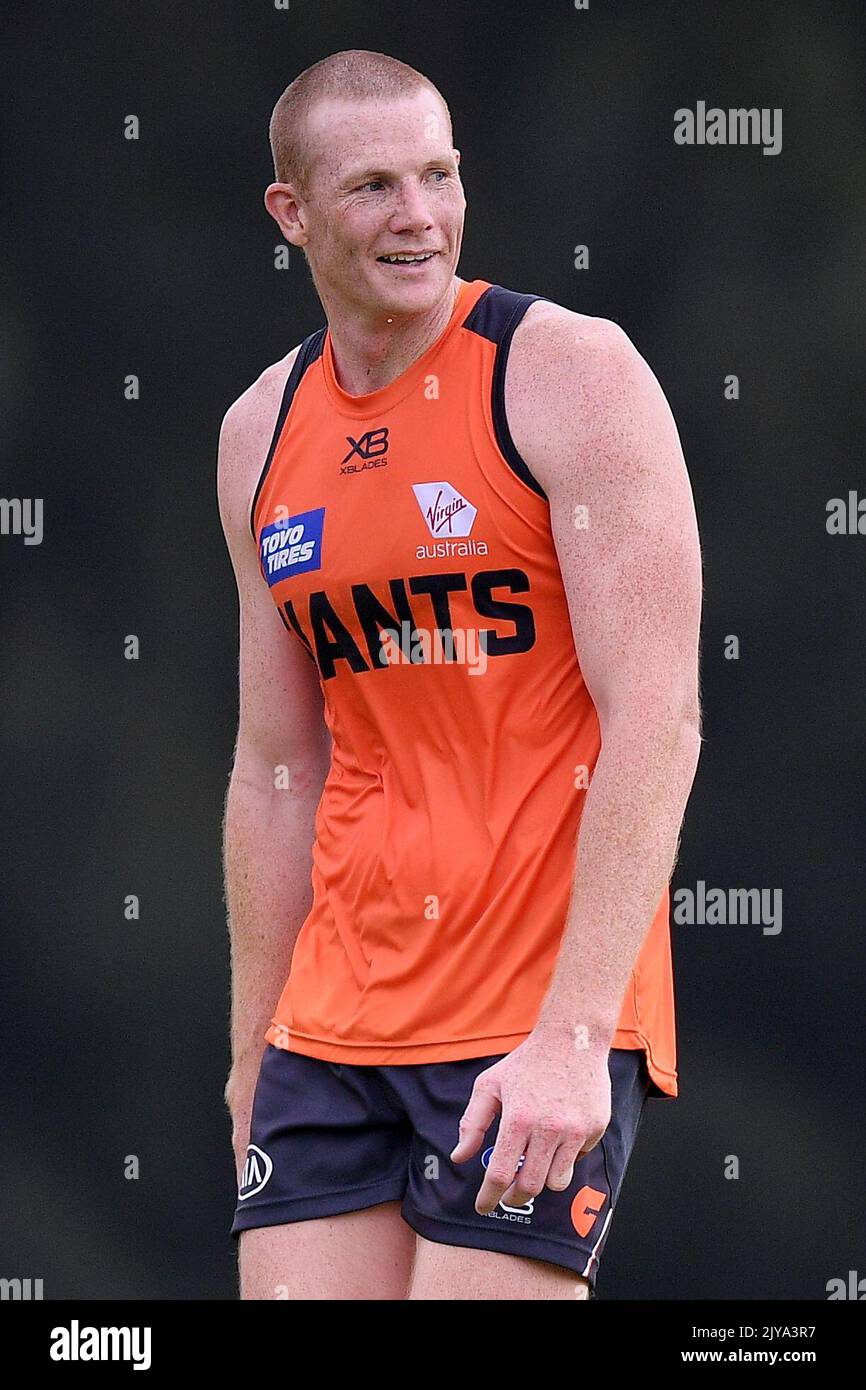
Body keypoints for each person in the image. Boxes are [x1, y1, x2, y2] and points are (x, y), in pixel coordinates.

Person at [218, 49, 702, 1301]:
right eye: (374, 185)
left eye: (438, 175)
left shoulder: (569, 374)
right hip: (329, 1027)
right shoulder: (257, 431)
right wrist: (249, 1050)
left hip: (527, 1019)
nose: (418, 216)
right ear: (293, 213)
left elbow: (657, 715)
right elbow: (277, 766)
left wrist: (575, 1036)